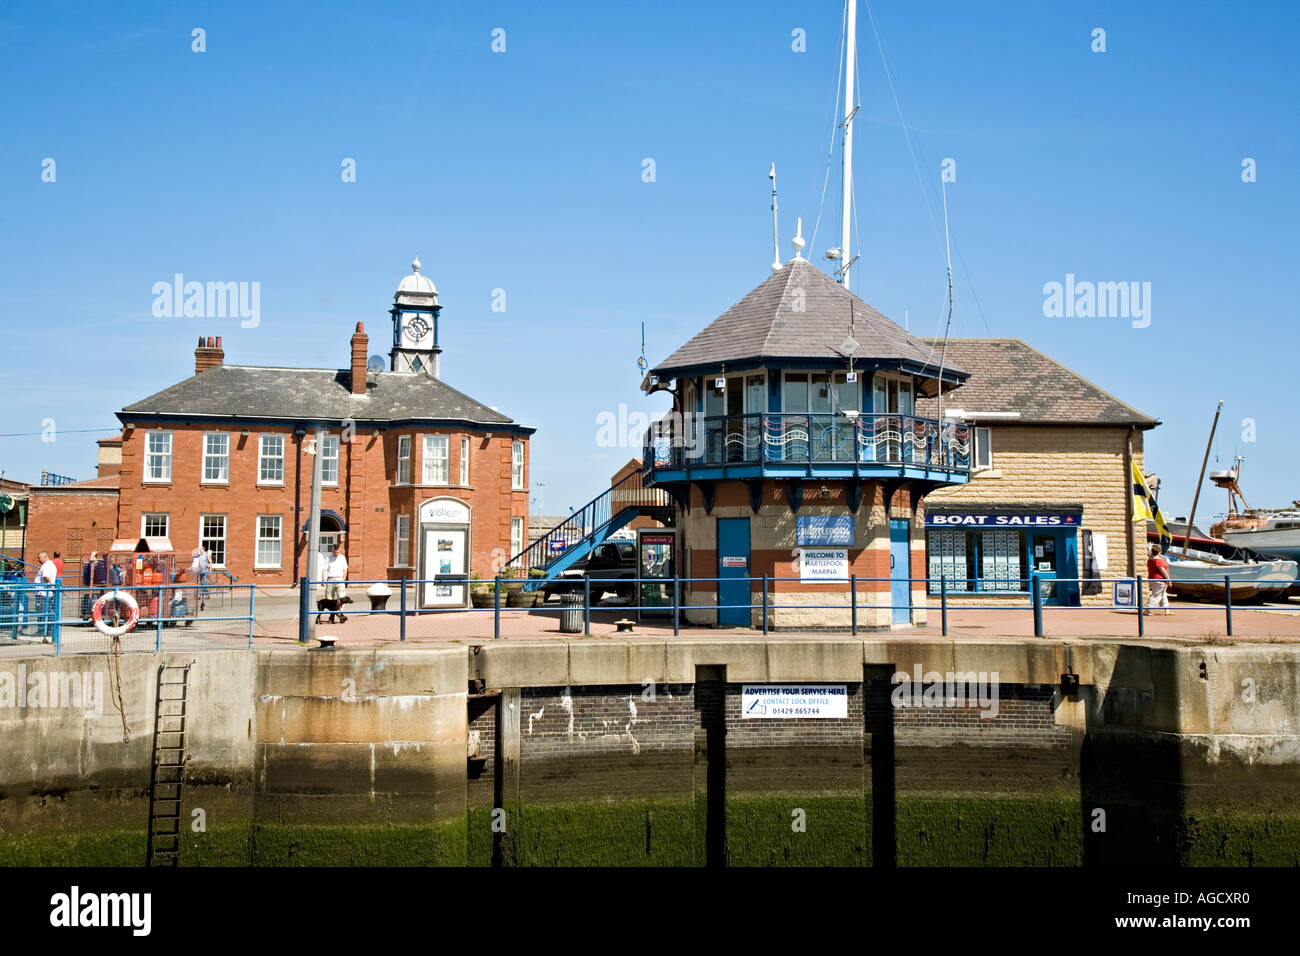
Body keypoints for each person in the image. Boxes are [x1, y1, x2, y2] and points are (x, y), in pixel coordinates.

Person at [322, 544, 349, 623]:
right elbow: (324, 569)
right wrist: (323, 580)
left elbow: (345, 570)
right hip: (331, 579)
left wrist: (343, 580)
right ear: (332, 551)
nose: (336, 554)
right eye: (334, 552)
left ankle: (341, 615)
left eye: (337, 552)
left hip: (339, 578)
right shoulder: (328, 558)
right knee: (329, 599)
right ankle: (332, 617)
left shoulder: (342, 558)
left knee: (342, 598)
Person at [35, 551, 58, 643]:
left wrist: (51, 586)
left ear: (44, 557)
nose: (38, 560)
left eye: (39, 558)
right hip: (45, 593)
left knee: (42, 611)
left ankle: (43, 631)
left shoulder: (46, 565)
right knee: (47, 611)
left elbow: (46, 577)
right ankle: (47, 630)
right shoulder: (50, 565)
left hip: (43, 593)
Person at [1146, 544, 1172, 616]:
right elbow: (1163, 571)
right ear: (1159, 551)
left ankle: (1167, 610)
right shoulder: (1158, 560)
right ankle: (1147, 609)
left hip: (1153, 579)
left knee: (1163, 595)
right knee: (1156, 595)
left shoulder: (1150, 560)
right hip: (1159, 580)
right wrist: (1168, 580)